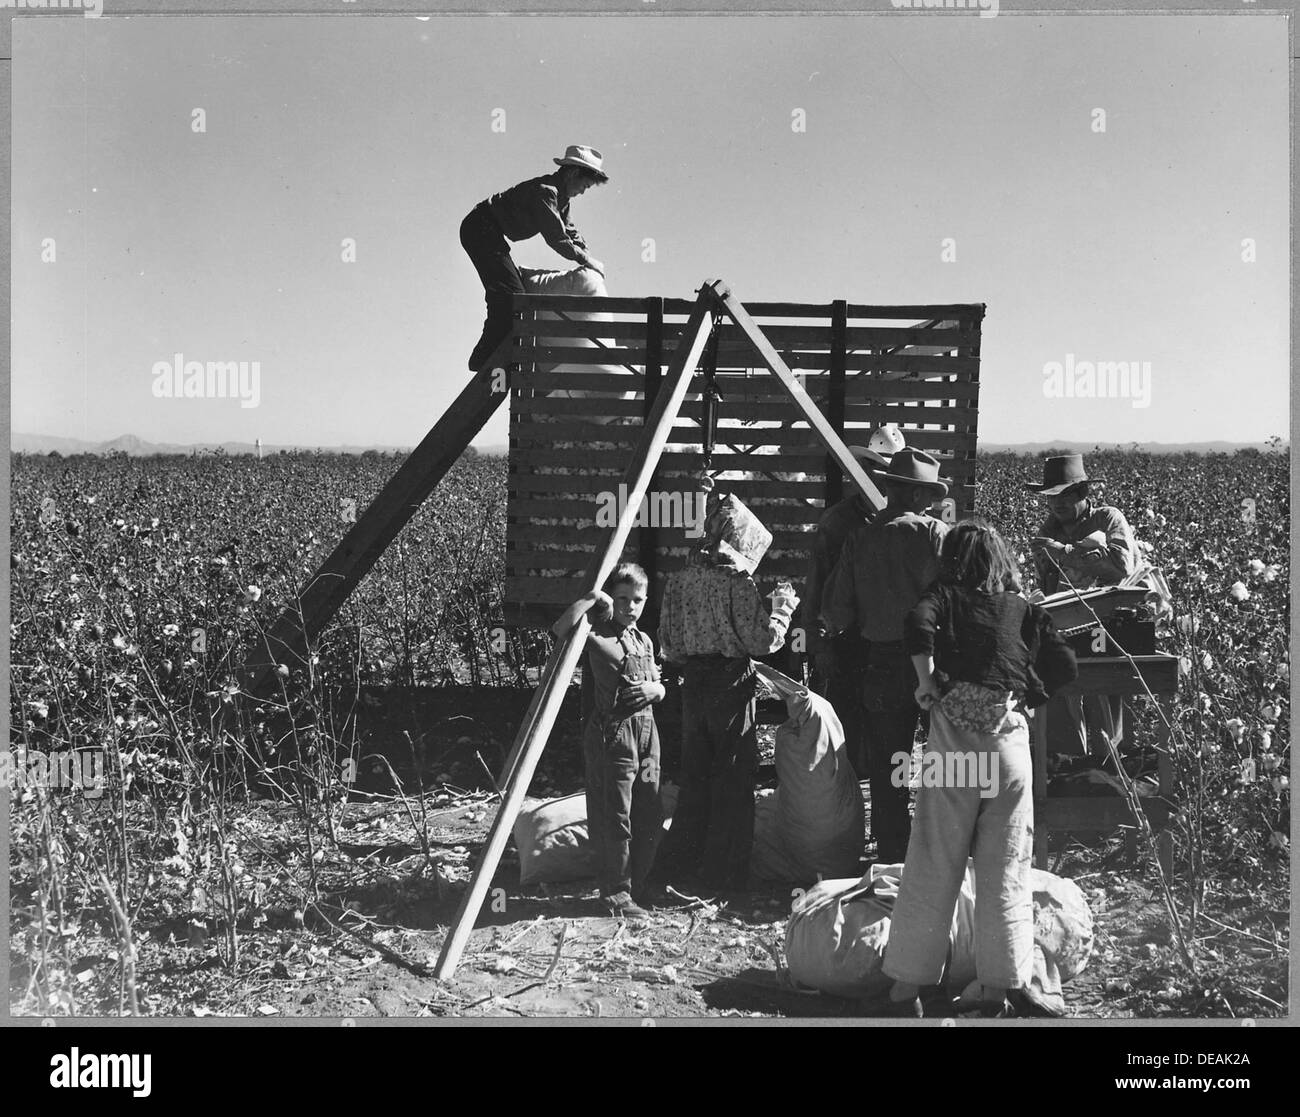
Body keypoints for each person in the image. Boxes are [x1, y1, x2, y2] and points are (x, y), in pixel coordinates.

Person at [882, 520, 1078, 1018]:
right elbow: (1064, 665)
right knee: (1007, 869)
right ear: (999, 561)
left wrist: (927, 682)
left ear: (952, 559)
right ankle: (997, 988)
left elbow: (916, 625)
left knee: (933, 860)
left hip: (955, 751)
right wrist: (1029, 699)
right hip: (1009, 752)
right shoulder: (1023, 609)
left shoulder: (944, 597)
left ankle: (909, 987)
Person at [651, 494, 799, 894]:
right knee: (733, 779)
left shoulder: (680, 580)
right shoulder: (737, 582)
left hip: (693, 682)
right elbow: (761, 640)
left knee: (695, 775)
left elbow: (669, 642)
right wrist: (783, 611)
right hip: (730, 681)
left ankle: (679, 865)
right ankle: (723, 877)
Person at [821, 448, 949, 863]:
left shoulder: (860, 538)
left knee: (889, 761)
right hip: (933, 663)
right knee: (945, 756)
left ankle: (893, 853)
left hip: (882, 662)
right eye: (928, 494)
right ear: (915, 496)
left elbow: (835, 613)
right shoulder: (934, 535)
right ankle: (938, 848)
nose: (932, 503)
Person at [558, 563, 665, 920]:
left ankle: (641, 885)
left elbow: (657, 681)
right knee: (613, 815)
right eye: (622, 599)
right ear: (611, 599)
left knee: (648, 811)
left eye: (637, 600)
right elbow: (560, 630)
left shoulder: (645, 640)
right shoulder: (594, 633)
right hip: (613, 735)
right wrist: (590, 599)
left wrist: (658, 689)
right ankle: (615, 895)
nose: (630, 607)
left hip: (648, 735)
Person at [804, 425, 906, 777]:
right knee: (844, 726)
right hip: (846, 640)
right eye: (874, 474)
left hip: (887, 645)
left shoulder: (902, 524)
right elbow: (817, 587)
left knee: (884, 737)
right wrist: (820, 644)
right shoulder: (838, 522)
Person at [1026, 454, 1138, 757]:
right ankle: (1070, 773)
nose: (1056, 505)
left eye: (1064, 496)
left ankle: (1112, 777)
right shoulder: (1050, 528)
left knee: (1106, 703)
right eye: (1051, 498)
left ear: (1083, 494)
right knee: (1060, 701)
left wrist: (1063, 552)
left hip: (1108, 628)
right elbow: (1046, 584)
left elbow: (1121, 568)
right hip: (1063, 629)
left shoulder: (1108, 518)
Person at [460, 144, 608, 372]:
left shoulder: (562, 198)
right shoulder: (546, 192)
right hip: (480, 228)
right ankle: (482, 358)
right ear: (572, 173)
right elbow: (557, 239)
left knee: (510, 293)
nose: (583, 191)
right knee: (510, 295)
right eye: (584, 185)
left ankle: (490, 355)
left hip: (489, 232)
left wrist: (587, 254)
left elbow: (570, 231)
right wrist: (588, 262)